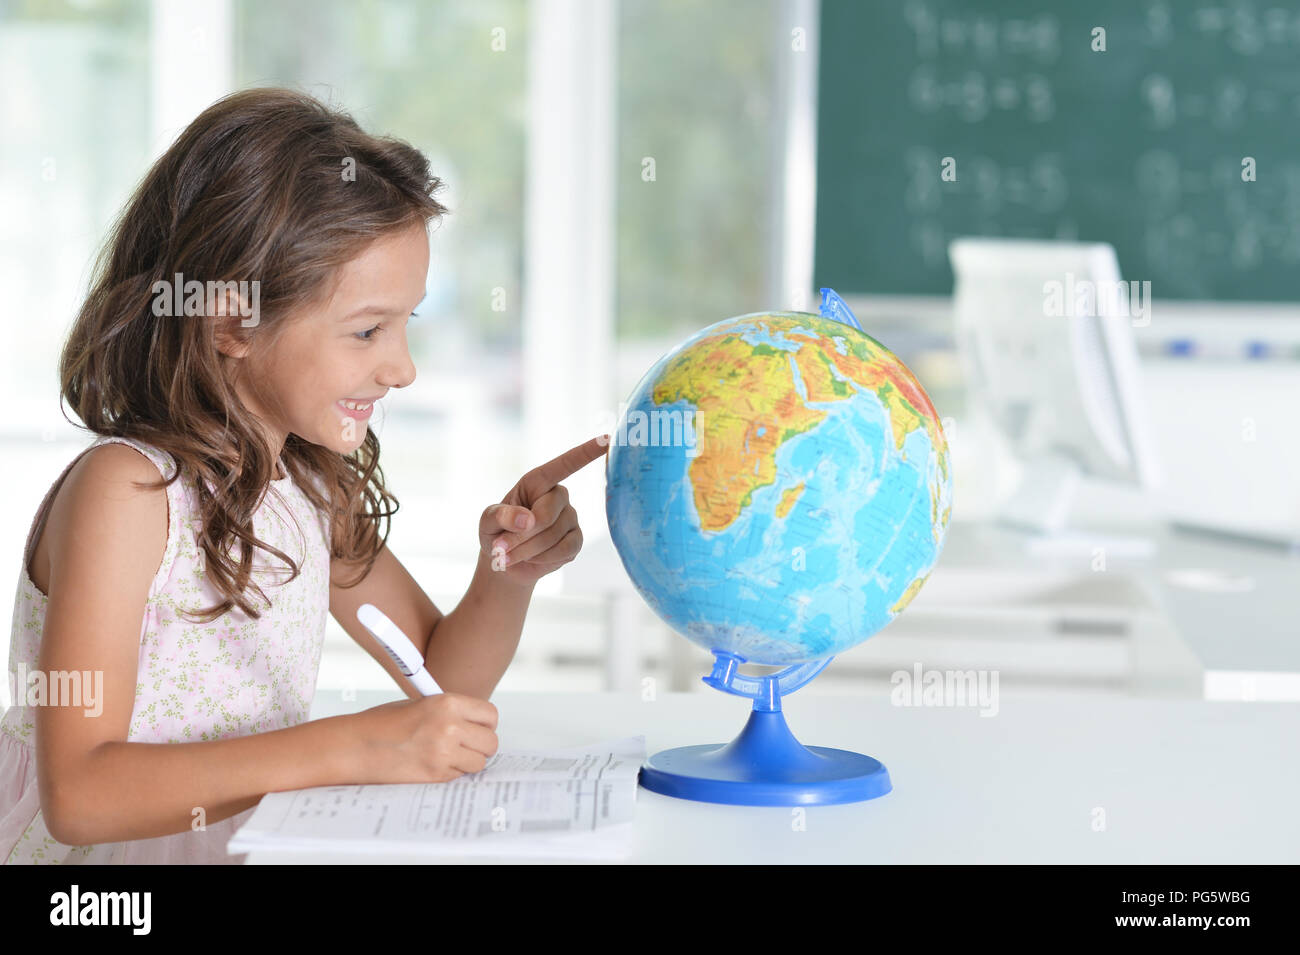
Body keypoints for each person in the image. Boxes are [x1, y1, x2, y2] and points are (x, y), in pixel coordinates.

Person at [0, 87, 607, 864]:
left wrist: (509, 572)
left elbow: (441, 678)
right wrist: (356, 745)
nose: (403, 368)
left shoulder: (309, 489)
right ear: (230, 322)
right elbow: (80, 794)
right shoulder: (125, 493)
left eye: (405, 324)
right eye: (367, 330)